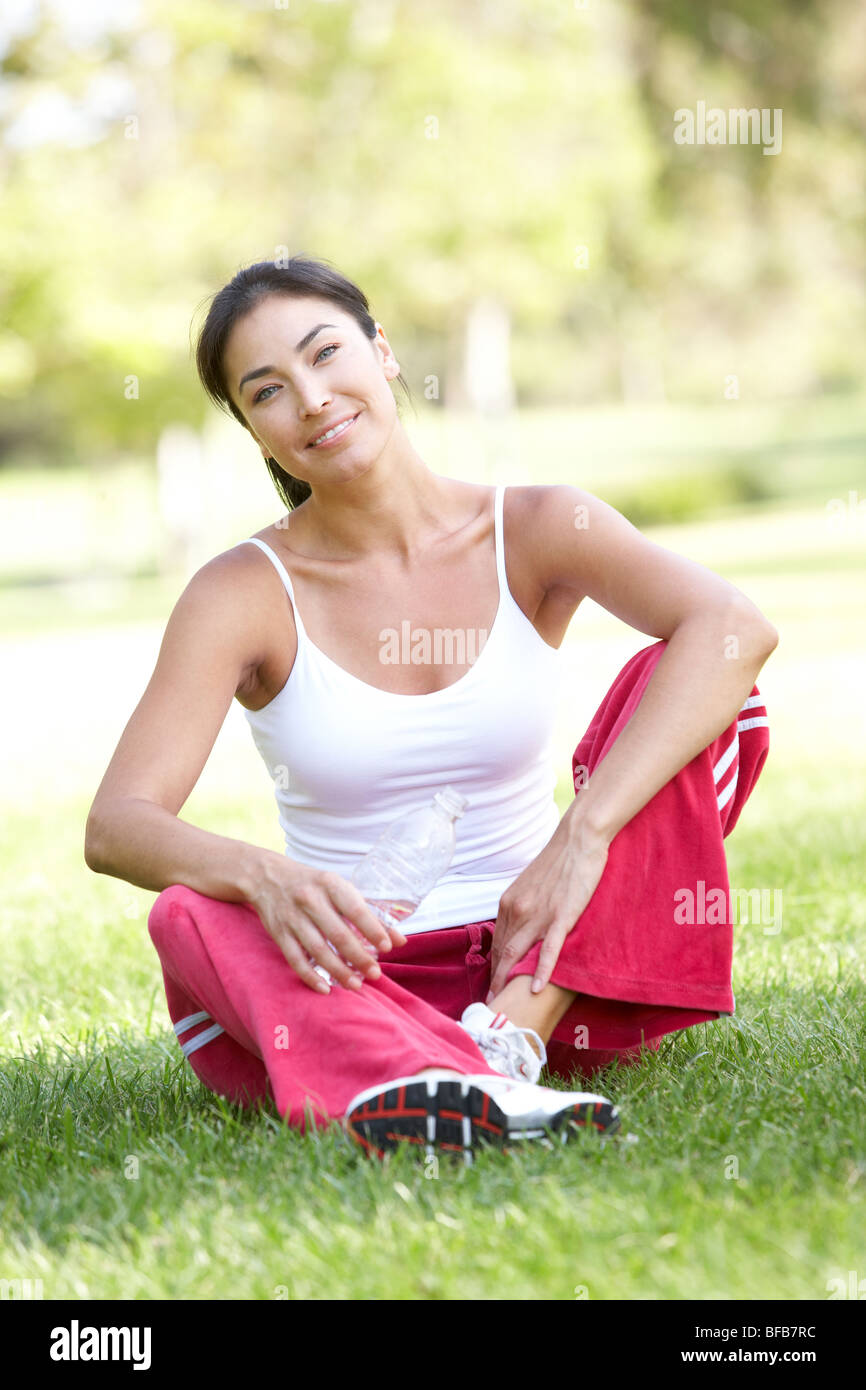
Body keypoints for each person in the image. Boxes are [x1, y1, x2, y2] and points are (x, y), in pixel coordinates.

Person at [84, 255, 777, 1163]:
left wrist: (583, 839)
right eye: (268, 392)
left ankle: (503, 1049)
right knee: (186, 914)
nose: (314, 399)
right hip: (360, 985)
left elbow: (732, 628)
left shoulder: (531, 526)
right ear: (255, 432)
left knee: (702, 688)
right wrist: (262, 876)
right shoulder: (241, 592)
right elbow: (117, 824)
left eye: (326, 353)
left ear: (384, 352)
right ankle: (445, 1080)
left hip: (560, 961)